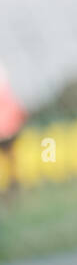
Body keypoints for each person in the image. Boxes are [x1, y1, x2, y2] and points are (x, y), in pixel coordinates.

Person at [0, 58, 25, 199]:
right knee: (9, 155)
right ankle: (12, 183)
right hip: (7, 122)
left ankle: (13, 183)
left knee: (9, 155)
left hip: (6, 123)